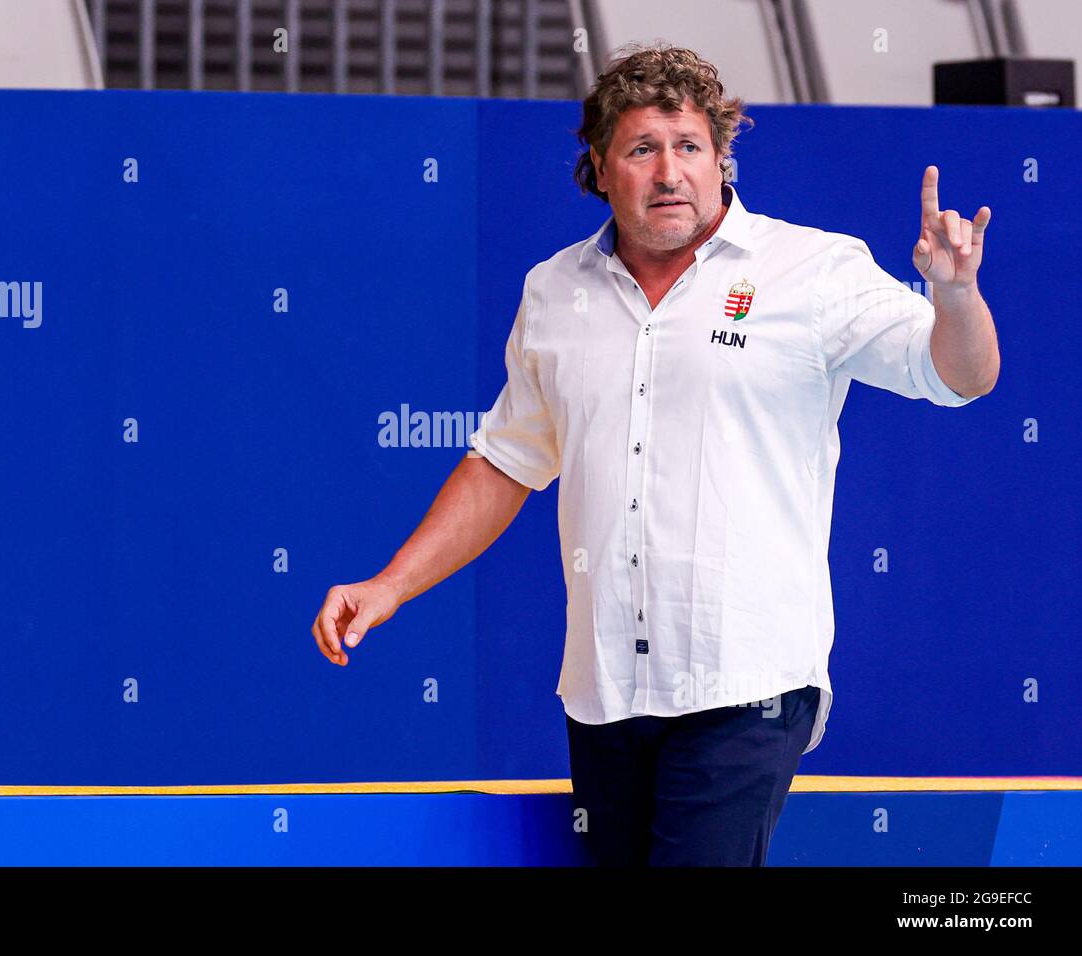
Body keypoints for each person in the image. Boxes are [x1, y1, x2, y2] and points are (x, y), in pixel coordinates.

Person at [310, 41, 999, 866]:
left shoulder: (812, 270)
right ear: (601, 169)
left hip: (744, 681)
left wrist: (954, 296)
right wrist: (390, 585)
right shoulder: (553, 291)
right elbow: (504, 463)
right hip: (604, 691)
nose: (670, 171)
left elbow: (959, 376)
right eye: (643, 149)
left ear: (719, 161)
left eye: (690, 147)